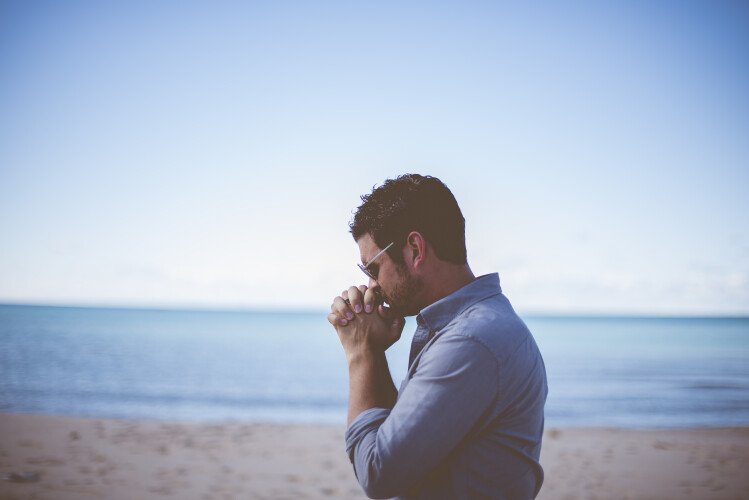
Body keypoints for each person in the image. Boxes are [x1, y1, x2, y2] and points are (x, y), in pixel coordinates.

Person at [328, 174, 548, 499]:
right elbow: (400, 446)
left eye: (373, 269)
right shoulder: (478, 326)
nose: (372, 287)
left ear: (415, 249)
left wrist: (361, 353)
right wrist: (372, 348)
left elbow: (379, 473)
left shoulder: (471, 342)